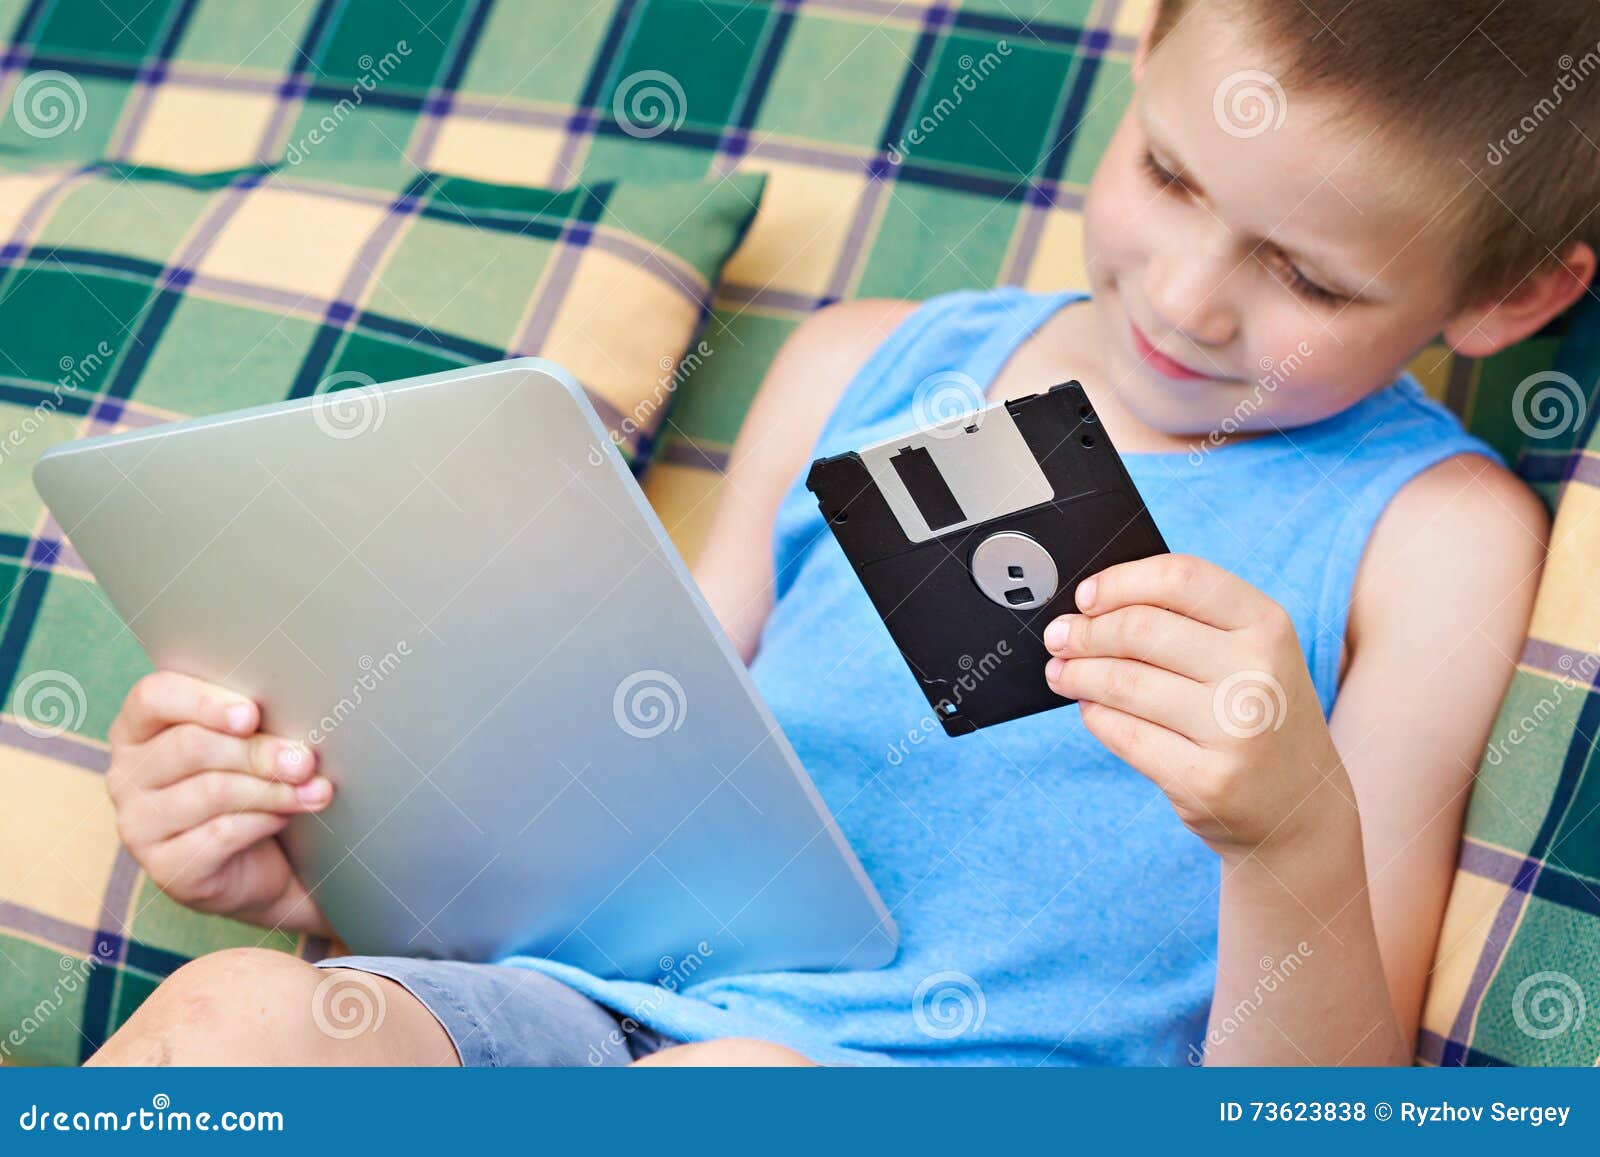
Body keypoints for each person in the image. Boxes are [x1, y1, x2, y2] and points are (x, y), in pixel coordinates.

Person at [88, 0, 1597, 1067]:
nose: (1190, 297)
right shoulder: (858, 366)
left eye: (1310, 279)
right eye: (1170, 175)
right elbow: (623, 791)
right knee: (233, 1025)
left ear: (1511, 302)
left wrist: (1287, 831)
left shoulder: (1428, 533)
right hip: (600, 1010)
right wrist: (320, 860)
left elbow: (1315, 1105)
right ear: (1142, 62)